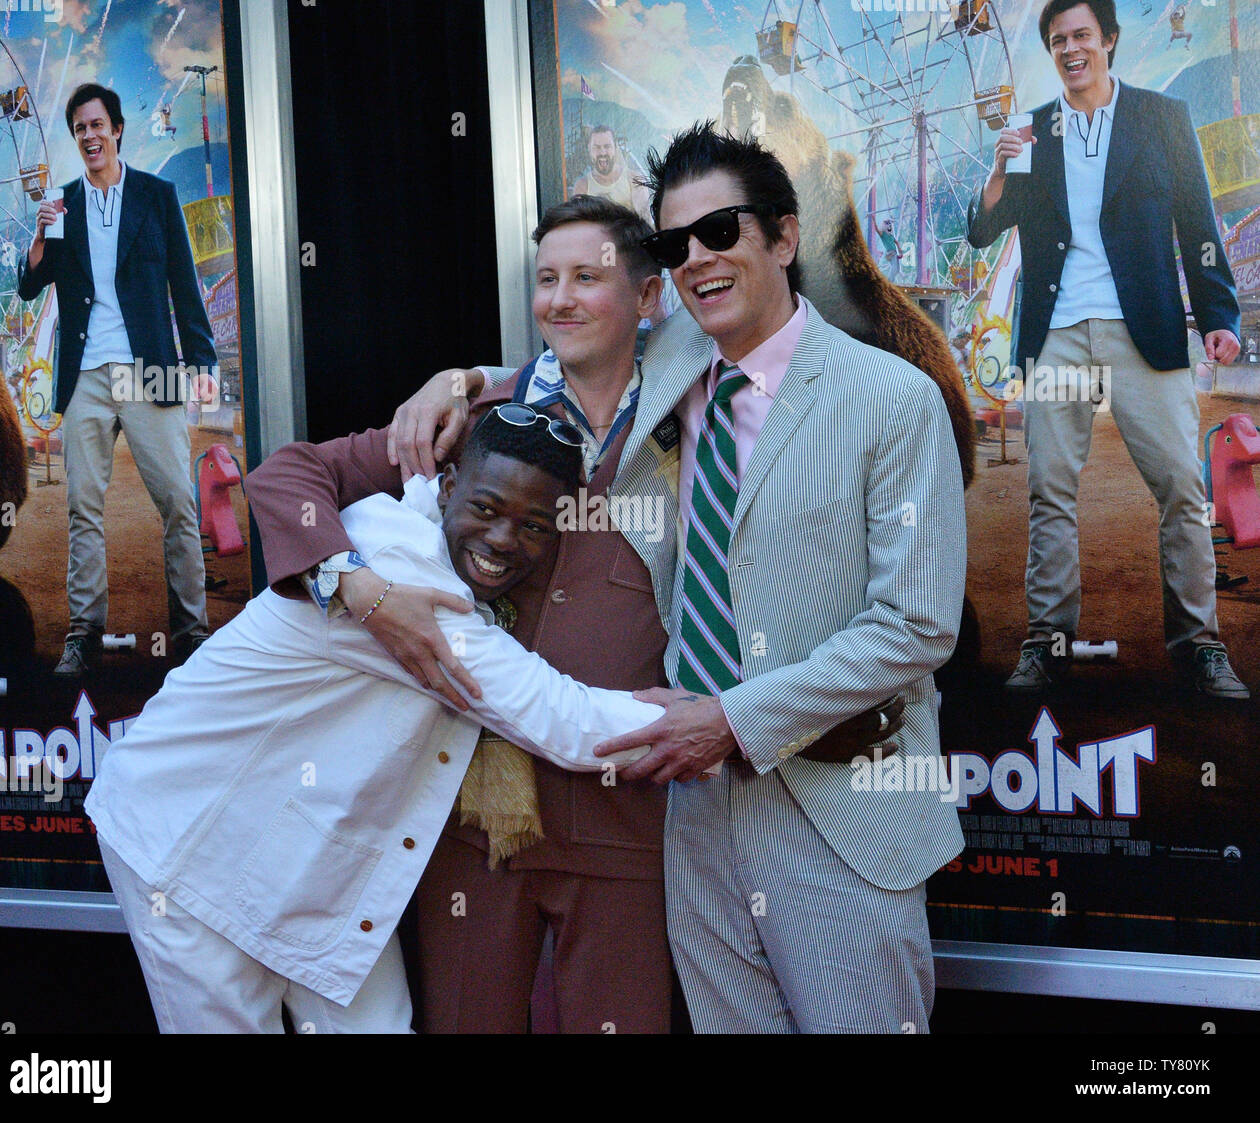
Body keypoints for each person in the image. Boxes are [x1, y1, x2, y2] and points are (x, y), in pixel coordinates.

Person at [245, 194, 900, 1033]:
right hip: (473, 819)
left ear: (649, 298)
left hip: (628, 813)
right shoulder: (474, 420)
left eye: (588, 277)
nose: (561, 298)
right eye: (547, 278)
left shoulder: (701, 415)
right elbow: (286, 479)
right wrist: (355, 588)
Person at [84, 409, 666, 1033]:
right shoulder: (395, 561)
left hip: (306, 856)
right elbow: (560, 719)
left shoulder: (429, 557)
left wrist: (468, 376)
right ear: (445, 487)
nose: (502, 539)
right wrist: (723, 722)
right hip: (186, 842)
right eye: (487, 508)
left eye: (534, 526)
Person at [573, 121, 967, 1034]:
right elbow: (560, 369)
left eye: (723, 232)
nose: (698, 262)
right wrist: (455, 381)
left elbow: (915, 626)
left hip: (837, 808)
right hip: (698, 817)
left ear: (785, 237)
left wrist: (730, 721)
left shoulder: (890, 399)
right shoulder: (671, 360)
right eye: (675, 246)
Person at [966, 0, 1247, 698]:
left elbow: (1198, 223)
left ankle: (1200, 645)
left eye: (1082, 35)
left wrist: (1219, 313)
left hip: (1144, 329)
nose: (1071, 49)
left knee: (1182, 487)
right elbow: (982, 232)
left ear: (1109, 41)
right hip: (1058, 335)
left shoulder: (1163, 119)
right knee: (1049, 490)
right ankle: (1048, 643)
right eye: (1058, 39)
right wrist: (998, 174)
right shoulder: (1034, 131)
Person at [18, 83, 217, 677]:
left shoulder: (157, 196)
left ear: (118, 129)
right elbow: (32, 287)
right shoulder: (64, 203)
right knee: (84, 508)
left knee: (179, 503)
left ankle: (191, 634)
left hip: (148, 367)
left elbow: (185, 286)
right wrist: (38, 234)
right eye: (80, 128)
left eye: (98, 124)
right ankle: (83, 634)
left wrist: (201, 365)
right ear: (76, 138)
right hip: (86, 374)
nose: (90, 136)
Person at [572, 124, 651, 220]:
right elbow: (580, 226)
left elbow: (645, 220)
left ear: (615, 148)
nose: (602, 152)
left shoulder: (634, 180)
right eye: (596, 147)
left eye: (607, 146)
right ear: (589, 150)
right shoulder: (582, 187)